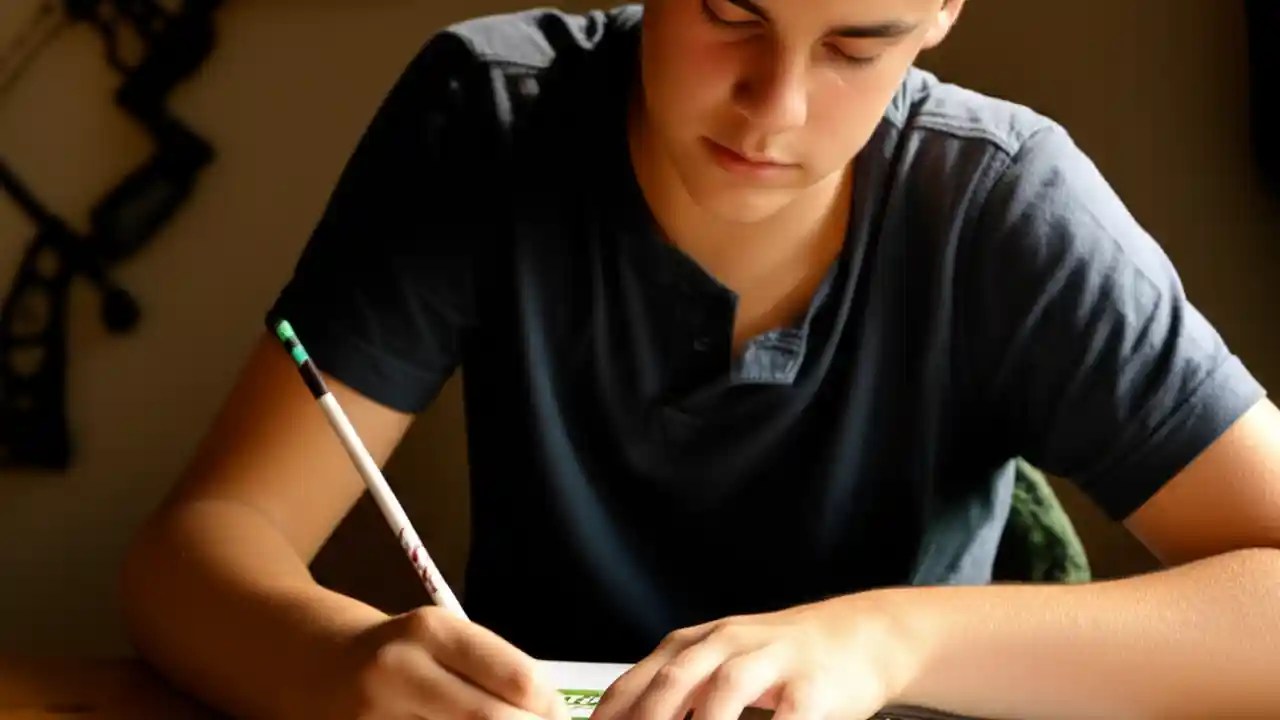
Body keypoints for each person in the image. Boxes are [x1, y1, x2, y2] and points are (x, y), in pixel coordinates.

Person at [120, 0, 1280, 718]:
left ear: (937, 10)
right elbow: (197, 552)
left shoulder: (1002, 208)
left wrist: (881, 641)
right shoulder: (489, 122)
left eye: (853, 46)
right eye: (730, 12)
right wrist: (329, 671)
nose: (773, 109)